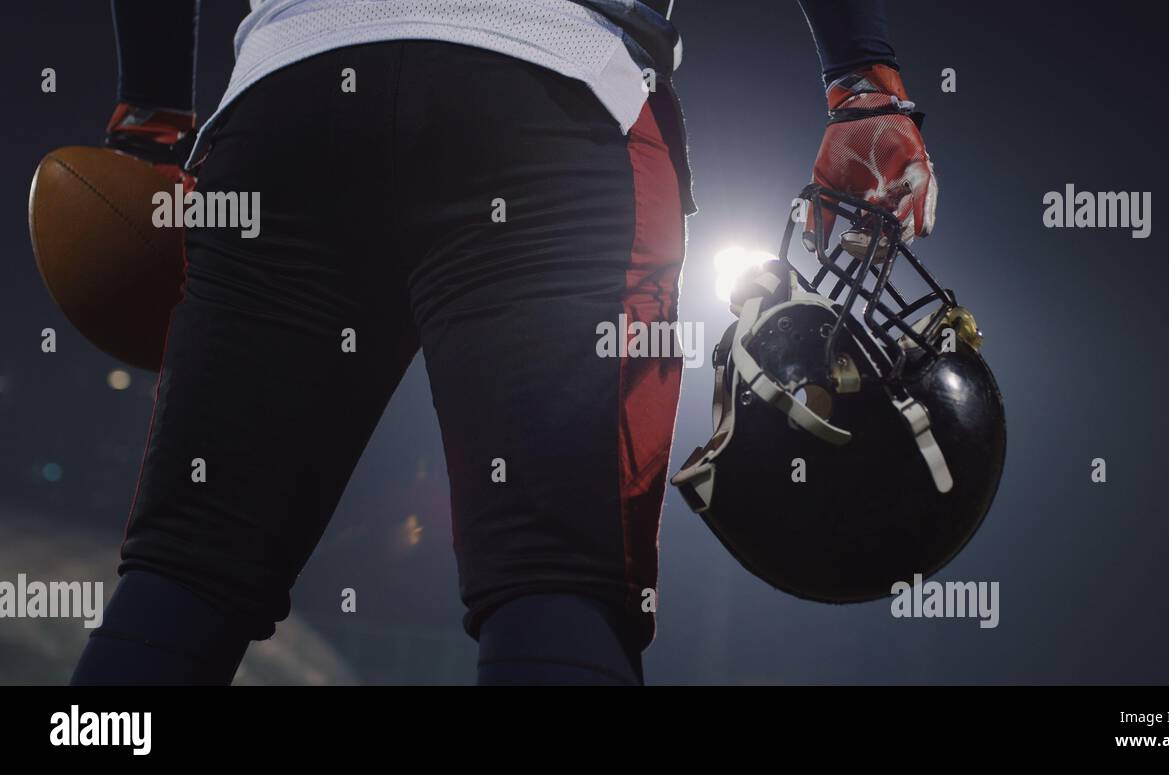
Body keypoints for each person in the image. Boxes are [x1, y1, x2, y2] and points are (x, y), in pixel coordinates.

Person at [72, 0, 936, 686]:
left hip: (288, 102)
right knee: (558, 585)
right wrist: (863, 76)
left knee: (183, 578)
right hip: (554, 84)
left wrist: (151, 113)